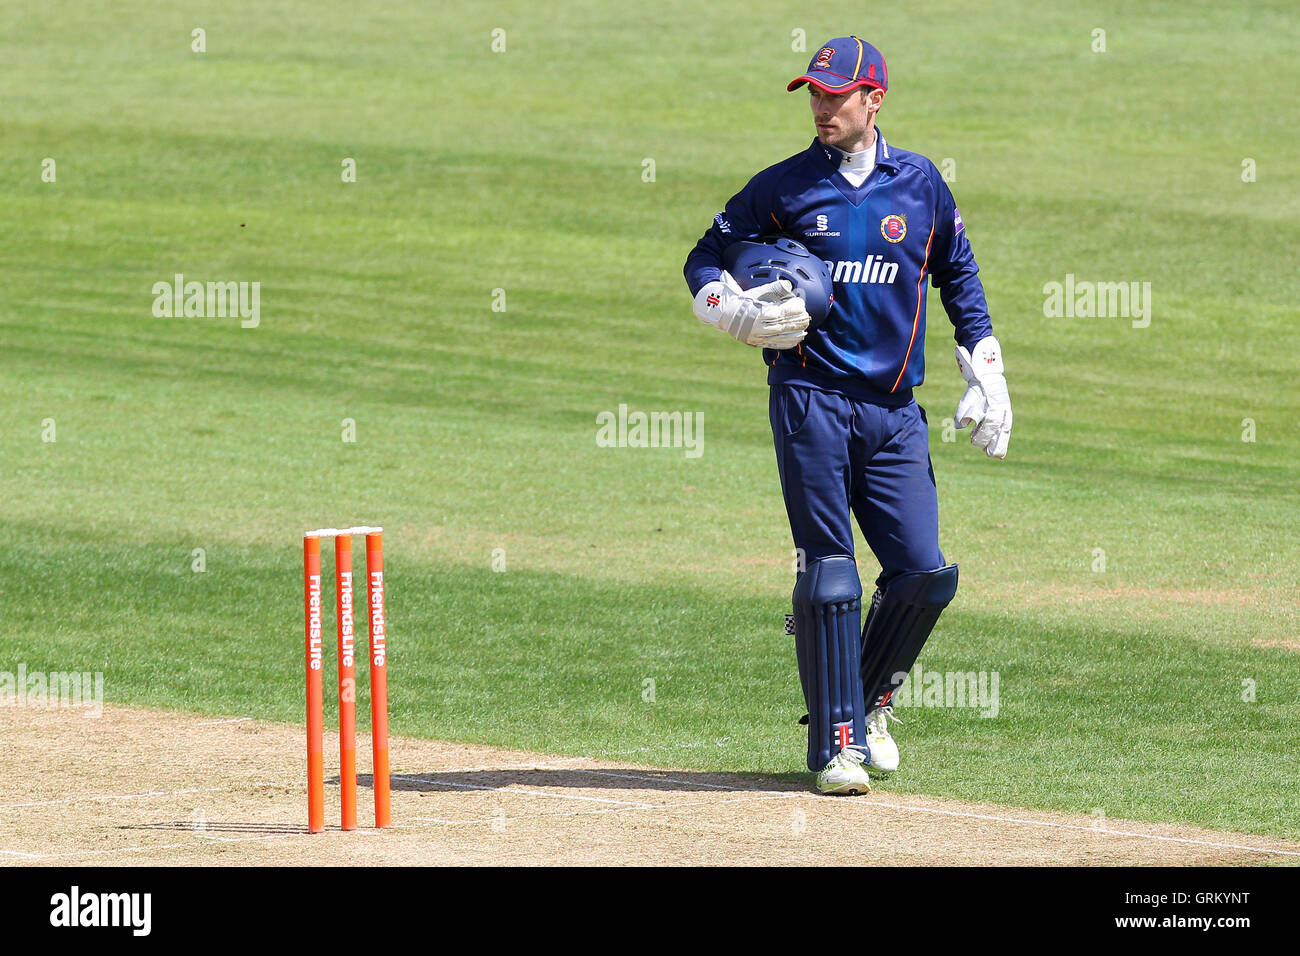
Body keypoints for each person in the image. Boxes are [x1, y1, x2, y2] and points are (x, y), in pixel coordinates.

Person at [683, 36, 1012, 794]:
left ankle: (867, 705)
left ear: (875, 99)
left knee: (924, 574)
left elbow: (956, 273)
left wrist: (986, 369)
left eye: (837, 95)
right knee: (831, 571)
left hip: (895, 413)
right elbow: (708, 252)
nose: (822, 107)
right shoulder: (783, 187)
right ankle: (837, 749)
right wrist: (726, 309)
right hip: (810, 400)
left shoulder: (921, 183)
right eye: (814, 94)